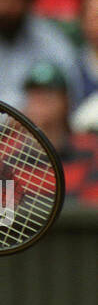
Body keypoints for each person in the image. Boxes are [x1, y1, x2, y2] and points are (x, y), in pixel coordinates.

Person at [21, 62, 98, 205]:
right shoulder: (3, 154)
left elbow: (92, 209)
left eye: (49, 94)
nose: (41, 103)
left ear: (67, 102)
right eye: (35, 95)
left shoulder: (92, 149)